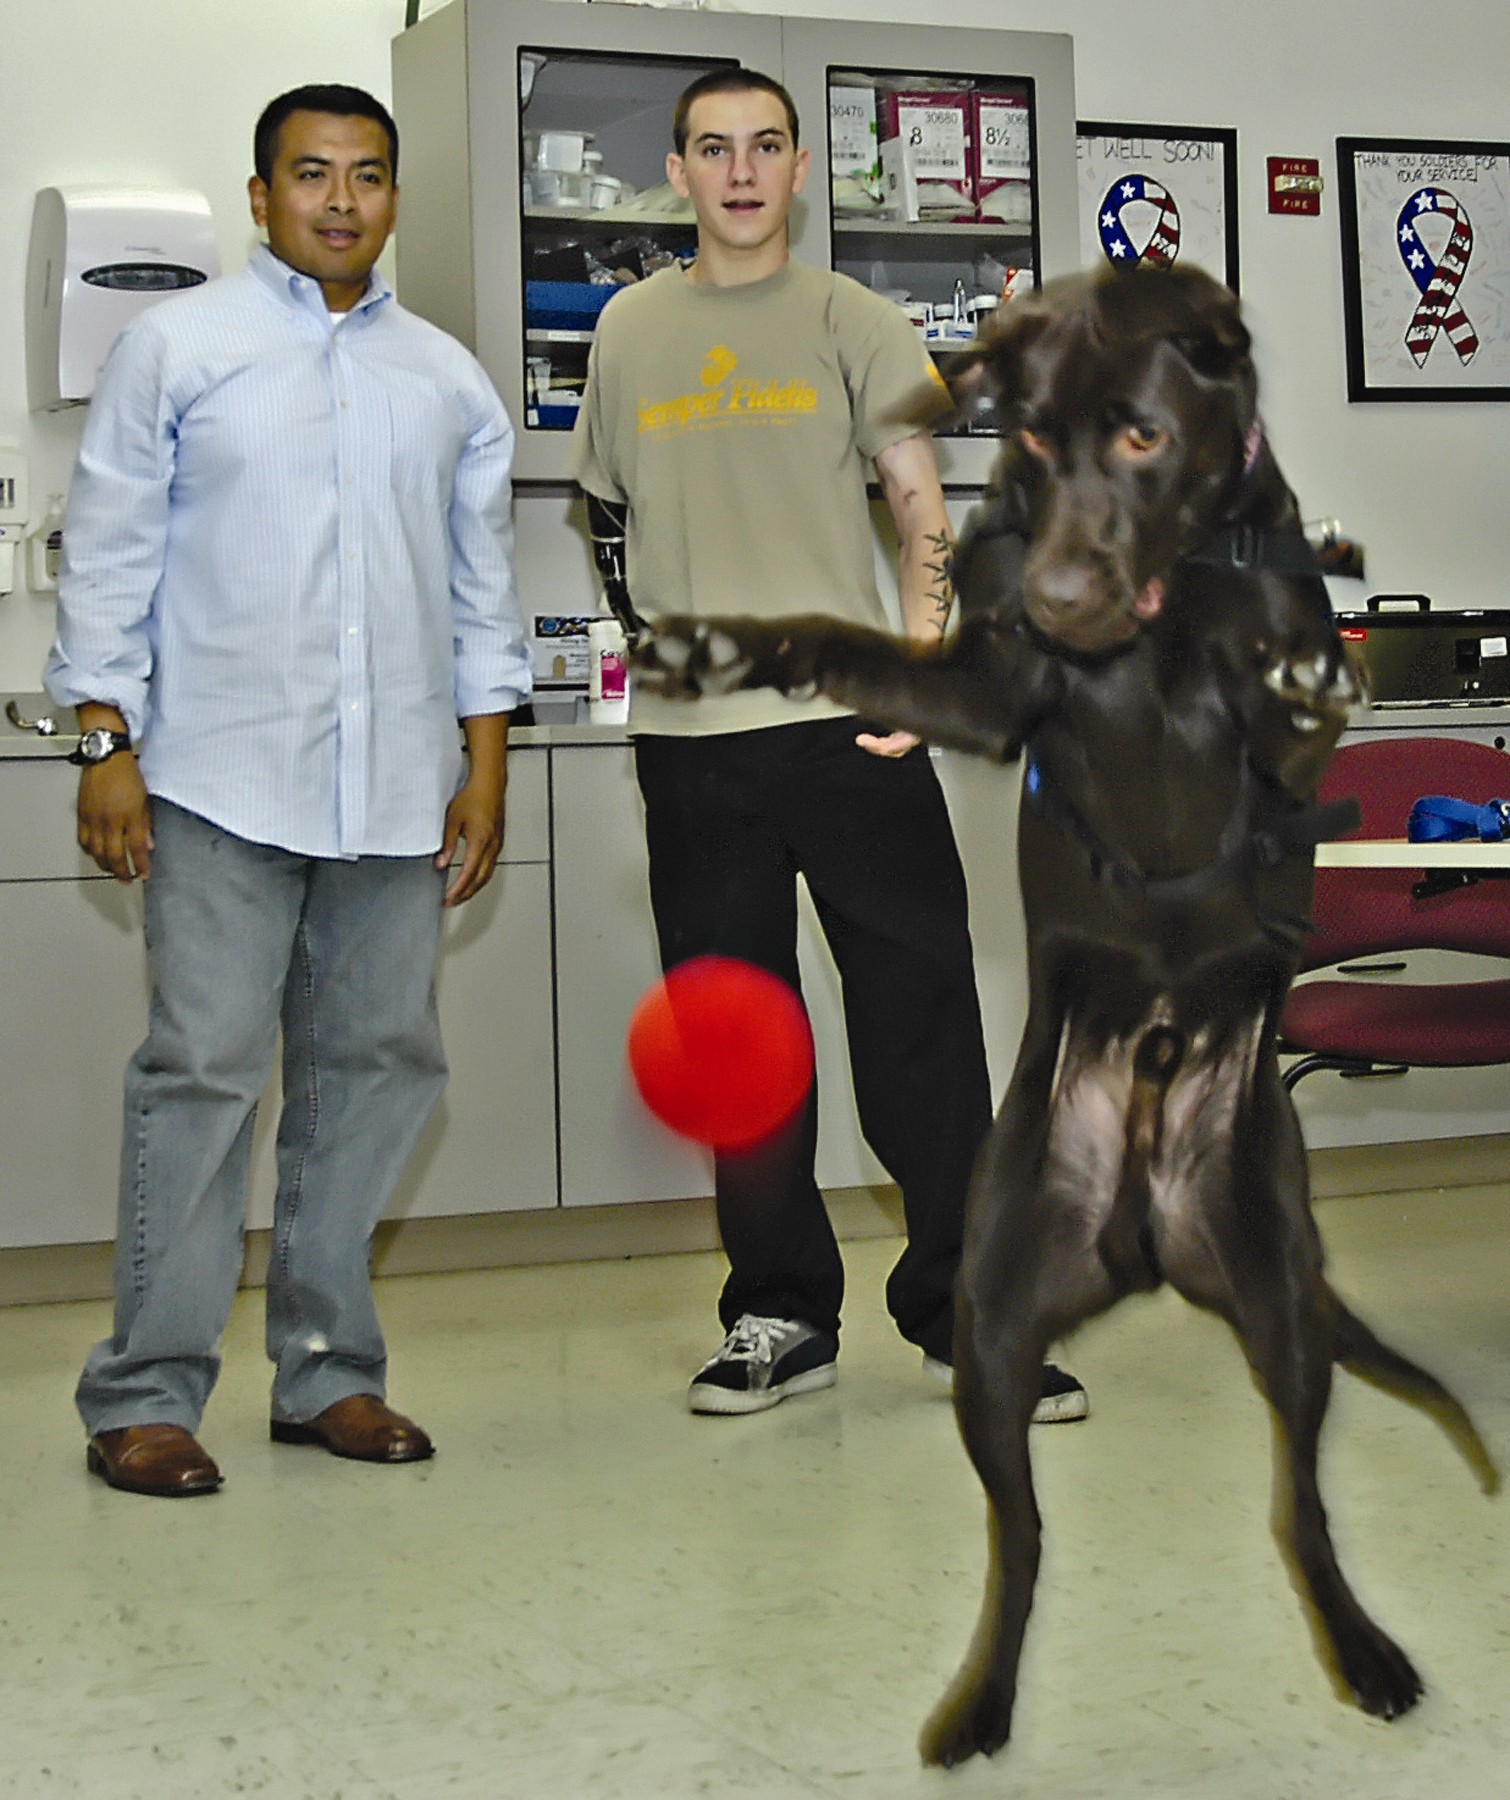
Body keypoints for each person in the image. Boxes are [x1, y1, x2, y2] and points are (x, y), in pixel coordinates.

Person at [572, 68, 1086, 1423]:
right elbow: (609, 515)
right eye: (709, 150)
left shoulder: (856, 319)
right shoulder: (624, 329)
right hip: (692, 749)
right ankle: (777, 1313)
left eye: (762, 147)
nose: (738, 172)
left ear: (800, 168)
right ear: (674, 174)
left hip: (851, 738)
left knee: (920, 1029)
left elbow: (920, 506)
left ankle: (966, 1313)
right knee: (737, 1047)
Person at [44, 83, 531, 1497]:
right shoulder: (176, 351)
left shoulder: (446, 379)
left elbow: (479, 594)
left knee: (373, 1076)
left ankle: (329, 1373)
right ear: (259, 198)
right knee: (200, 1074)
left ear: (392, 198)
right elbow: (112, 554)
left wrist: (483, 768)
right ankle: (144, 1392)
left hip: (393, 788)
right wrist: (103, 746)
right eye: (308, 175)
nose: (338, 199)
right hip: (213, 779)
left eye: (365, 176)